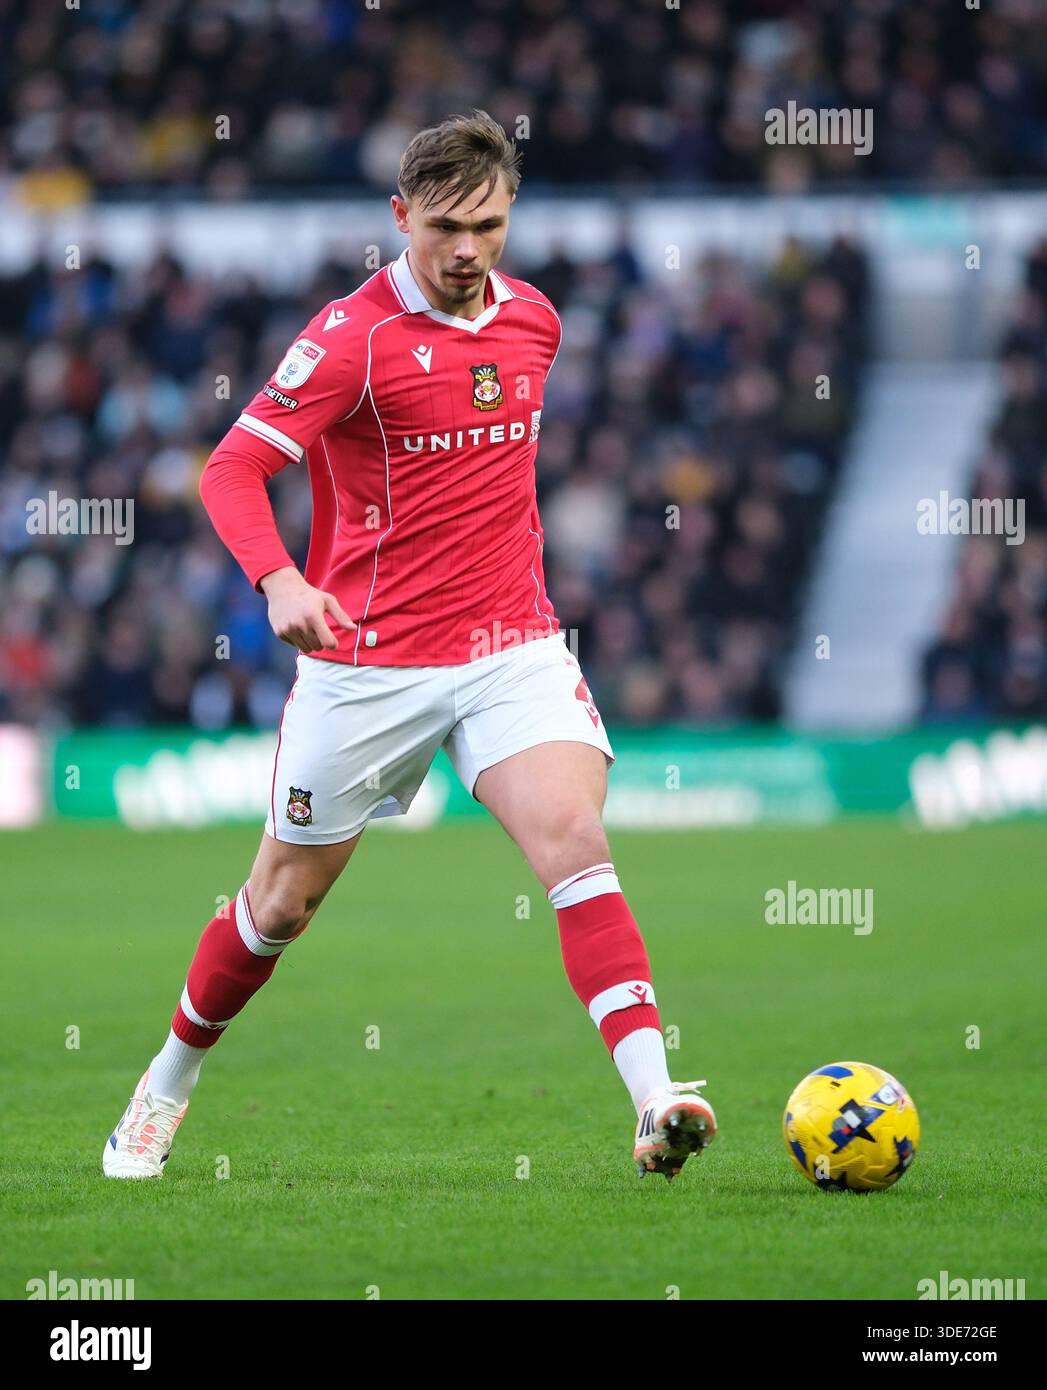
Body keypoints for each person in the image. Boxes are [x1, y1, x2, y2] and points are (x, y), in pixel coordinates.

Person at [103, 110, 715, 1184]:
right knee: (280, 904)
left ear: (510, 213)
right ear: (400, 219)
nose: (468, 249)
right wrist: (280, 578)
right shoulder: (353, 339)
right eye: (444, 228)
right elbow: (229, 471)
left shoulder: (535, 320)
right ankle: (164, 1086)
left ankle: (656, 1097)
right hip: (368, 667)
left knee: (574, 837)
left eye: (486, 223)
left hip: (510, 647)